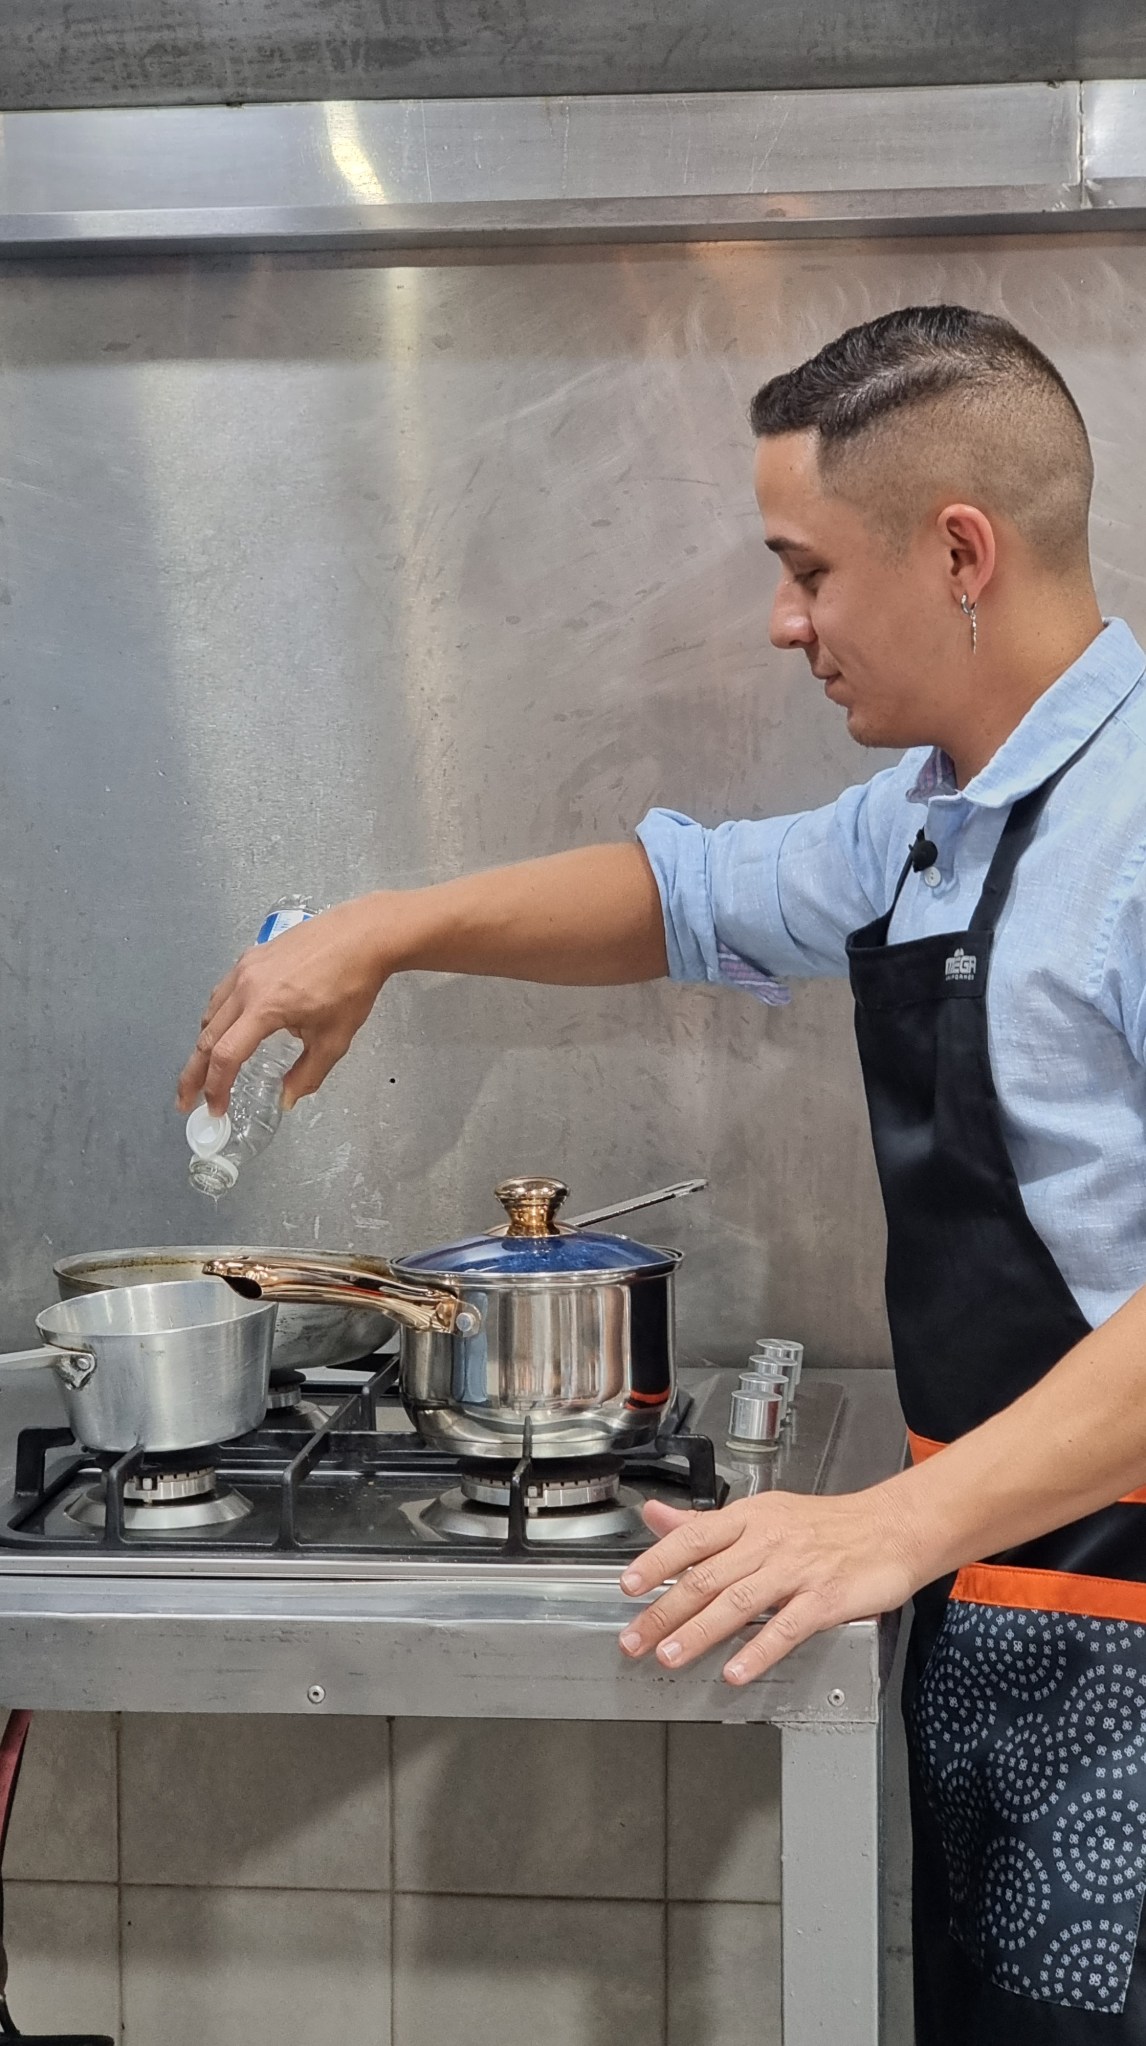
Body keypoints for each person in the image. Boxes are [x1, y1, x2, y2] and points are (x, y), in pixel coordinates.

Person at [180, 304, 1146, 2040]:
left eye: (805, 570)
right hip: (1012, 1603)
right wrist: (380, 930)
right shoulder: (930, 820)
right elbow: (680, 894)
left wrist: (890, 1524)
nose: (783, 623)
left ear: (958, 553)